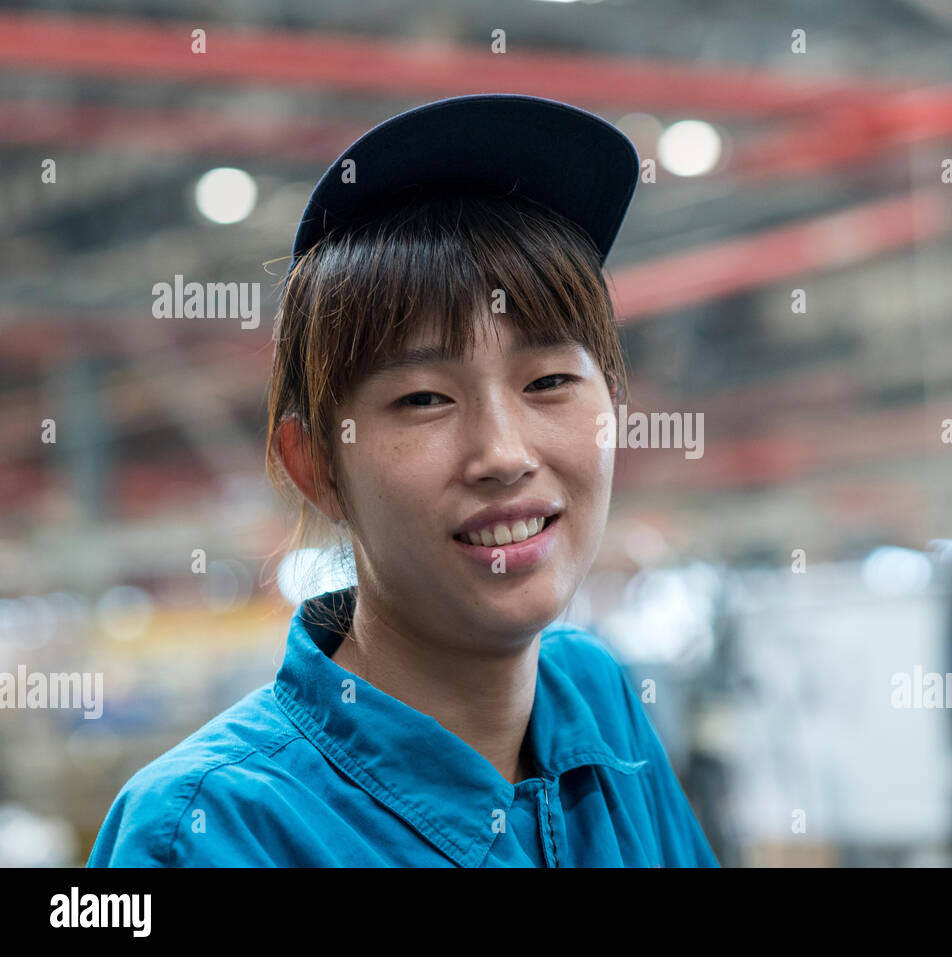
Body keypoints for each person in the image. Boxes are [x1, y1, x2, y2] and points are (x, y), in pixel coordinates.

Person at [87, 94, 719, 867]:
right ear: (316, 466)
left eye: (550, 380)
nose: (504, 453)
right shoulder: (210, 830)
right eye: (424, 398)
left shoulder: (596, 703)